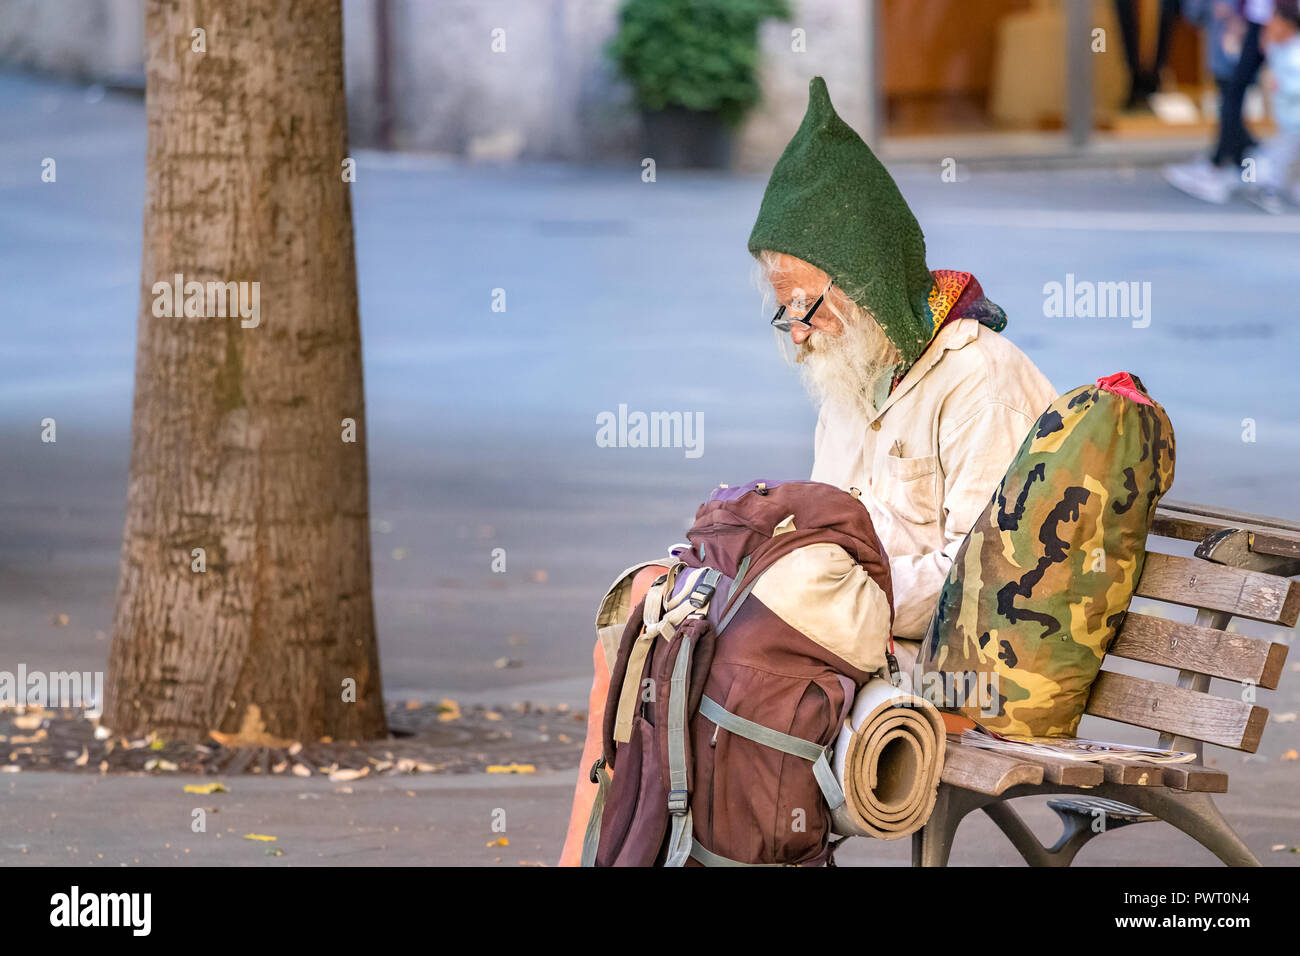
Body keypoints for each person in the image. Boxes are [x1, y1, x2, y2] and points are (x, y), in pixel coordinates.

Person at [558, 76, 1057, 865]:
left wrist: (814, 590)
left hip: (959, 668)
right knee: (639, 628)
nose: (794, 330)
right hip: (855, 622)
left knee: (729, 670)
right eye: (781, 307)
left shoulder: (981, 380)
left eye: (805, 303)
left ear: (860, 281)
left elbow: (981, 583)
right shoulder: (850, 374)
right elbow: (832, 528)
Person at [1165, 0, 1275, 202]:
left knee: (1231, 90)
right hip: (1255, 17)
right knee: (1232, 90)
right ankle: (1238, 160)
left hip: (1254, 18)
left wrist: (1234, 14)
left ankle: (1221, 165)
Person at [1249, 0, 1300, 210]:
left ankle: (1272, 188)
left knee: (1282, 153)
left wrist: (1282, 84)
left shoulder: (1295, 53)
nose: (1270, 24)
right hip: (1288, 118)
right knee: (1284, 153)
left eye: (1274, 21)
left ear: (1287, 25)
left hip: (1295, 117)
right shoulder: (1278, 46)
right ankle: (1277, 187)